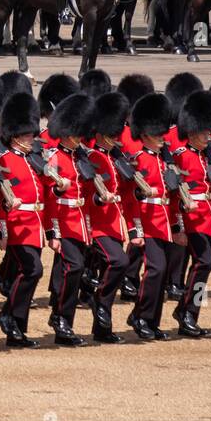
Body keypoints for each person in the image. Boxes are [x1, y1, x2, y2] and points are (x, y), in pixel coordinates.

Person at [85, 93, 143, 343]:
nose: (116, 138)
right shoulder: (90, 158)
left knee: (201, 263)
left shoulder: (119, 158)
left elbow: (129, 199)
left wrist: (133, 229)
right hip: (96, 225)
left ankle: (102, 326)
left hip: (117, 225)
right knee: (117, 262)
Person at [126, 93, 183, 341]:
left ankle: (151, 318)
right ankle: (142, 315)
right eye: (157, 134)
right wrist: (135, 229)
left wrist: (177, 225)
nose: (162, 137)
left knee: (166, 271)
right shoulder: (140, 161)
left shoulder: (165, 161)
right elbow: (131, 200)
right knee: (156, 270)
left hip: (166, 224)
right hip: (148, 223)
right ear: (146, 134)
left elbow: (173, 199)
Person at [43, 94, 98, 346]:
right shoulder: (54, 157)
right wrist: (53, 231)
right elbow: (48, 195)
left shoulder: (79, 157)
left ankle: (63, 320)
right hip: (63, 221)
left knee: (73, 270)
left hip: (78, 222)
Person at [0, 94, 47, 347]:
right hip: (17, 225)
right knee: (33, 269)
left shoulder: (32, 160)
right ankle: (7, 315)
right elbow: (0, 199)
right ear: (14, 135)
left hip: (34, 226)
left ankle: (17, 330)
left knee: (30, 272)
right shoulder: (4, 161)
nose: (31, 139)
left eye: (31, 134)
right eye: (26, 135)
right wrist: (3, 230)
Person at [171, 91, 211, 338]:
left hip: (207, 217)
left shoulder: (207, 156)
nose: (208, 136)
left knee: (204, 265)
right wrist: (178, 223)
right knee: (204, 263)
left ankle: (191, 311)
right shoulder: (181, 156)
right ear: (192, 132)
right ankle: (187, 311)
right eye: (205, 133)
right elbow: (175, 193)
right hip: (191, 217)